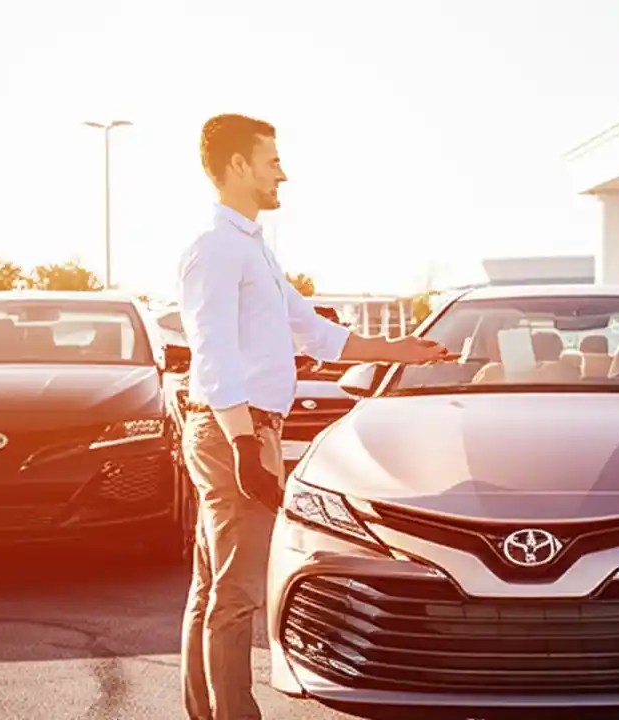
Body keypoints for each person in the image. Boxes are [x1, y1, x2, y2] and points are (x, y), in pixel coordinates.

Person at [178, 113, 453, 720]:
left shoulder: (255, 250)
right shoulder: (216, 249)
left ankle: (206, 713)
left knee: (213, 587)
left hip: (243, 427)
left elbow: (316, 334)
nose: (284, 172)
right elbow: (214, 353)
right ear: (238, 166)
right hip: (235, 430)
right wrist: (247, 447)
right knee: (235, 594)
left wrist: (401, 350)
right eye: (272, 160)